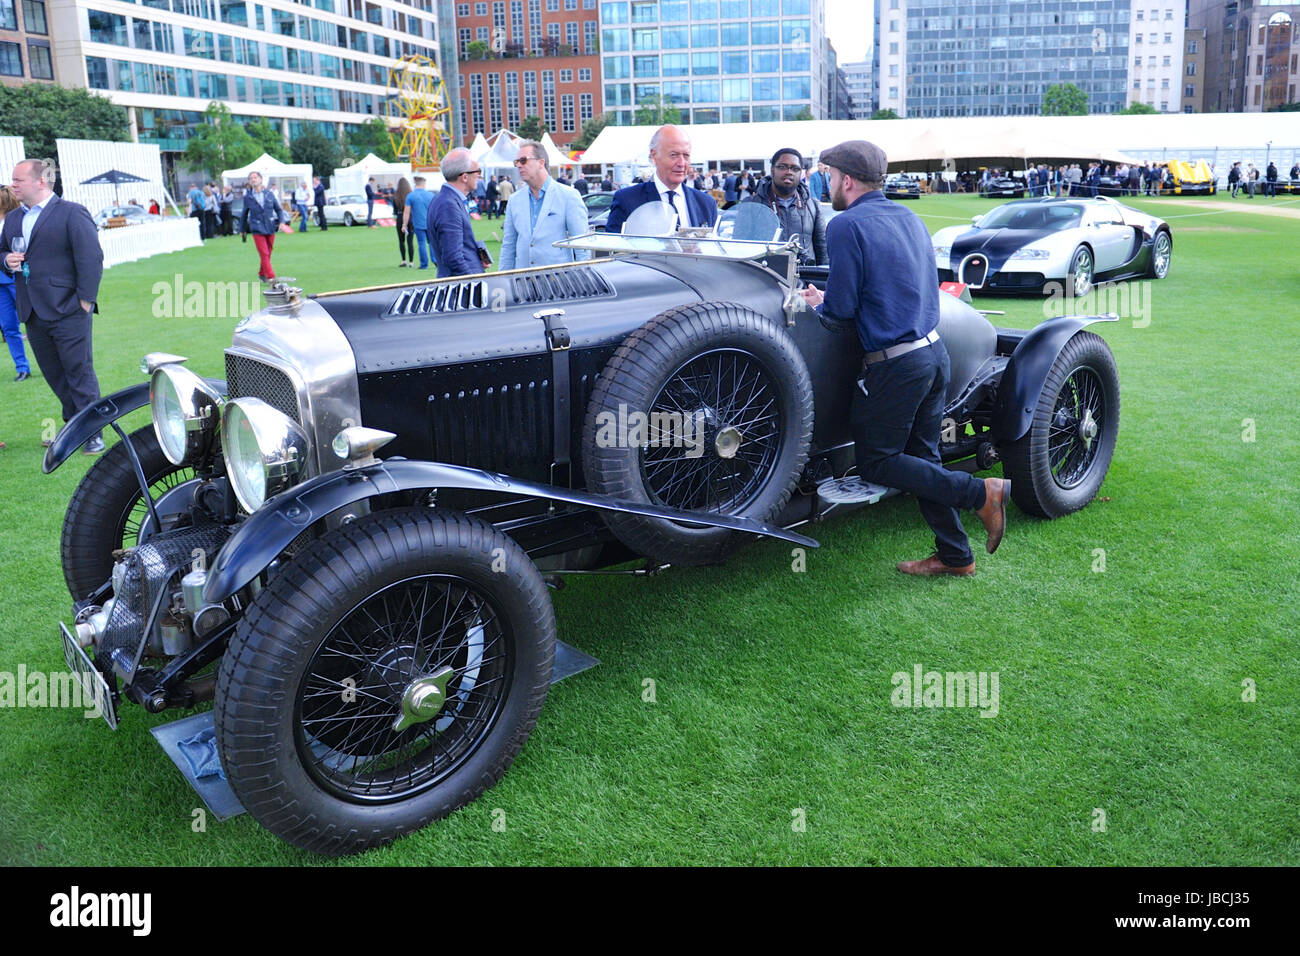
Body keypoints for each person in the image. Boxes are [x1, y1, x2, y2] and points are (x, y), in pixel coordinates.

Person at [797, 140, 1009, 577]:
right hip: (934, 353)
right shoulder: (909, 217)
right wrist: (833, 296)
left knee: (878, 462)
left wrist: (816, 302)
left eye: (830, 176)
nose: (828, 183)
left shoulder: (844, 224)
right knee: (923, 461)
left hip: (895, 363)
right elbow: (896, 287)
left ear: (847, 180)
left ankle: (981, 494)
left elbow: (840, 311)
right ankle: (956, 556)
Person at [1, 158, 106, 454]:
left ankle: (93, 432)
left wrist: (85, 302)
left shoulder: (72, 213)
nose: (13, 185)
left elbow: (91, 259)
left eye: (19, 180)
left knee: (78, 371)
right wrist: (6, 261)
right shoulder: (12, 218)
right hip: (32, 312)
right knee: (54, 374)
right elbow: (2, 252)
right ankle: (74, 425)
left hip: (69, 310)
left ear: (41, 181)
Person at [605, 125, 719, 234]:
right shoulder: (627, 200)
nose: (681, 163)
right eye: (674, 155)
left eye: (686, 156)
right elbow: (611, 250)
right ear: (654, 155)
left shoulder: (707, 204)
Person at [499, 139, 591, 271]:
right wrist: (503, 280)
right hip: (523, 283)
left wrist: (585, 280)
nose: (519, 165)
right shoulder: (514, 200)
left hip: (559, 283)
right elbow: (508, 246)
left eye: (523, 160)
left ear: (541, 162)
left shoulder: (568, 196)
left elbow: (582, 246)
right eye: (517, 162)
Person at [743, 147, 827, 265]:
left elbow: (822, 249)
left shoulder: (813, 206)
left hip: (805, 278)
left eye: (795, 168)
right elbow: (740, 251)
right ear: (772, 170)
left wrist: (819, 279)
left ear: (800, 172)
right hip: (764, 277)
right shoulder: (751, 205)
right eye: (783, 167)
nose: (789, 172)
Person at [427, 147, 490, 278]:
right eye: (477, 171)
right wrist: (474, 281)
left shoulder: (448, 200)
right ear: (465, 177)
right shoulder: (448, 204)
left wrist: (475, 259)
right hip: (461, 289)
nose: (479, 175)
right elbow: (453, 257)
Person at [0, 185, 32, 382]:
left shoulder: (18, 220)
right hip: (1, 281)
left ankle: (48, 363)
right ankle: (22, 367)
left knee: (34, 322)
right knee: (9, 326)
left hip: (18, 277)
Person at [241, 170, 292, 281]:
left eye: (255, 177)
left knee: (268, 252)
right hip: (257, 228)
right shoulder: (248, 197)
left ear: (260, 179)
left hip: (270, 226)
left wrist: (282, 222)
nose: (253, 179)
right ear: (249, 182)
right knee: (264, 253)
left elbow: (278, 209)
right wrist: (242, 229)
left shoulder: (269, 194)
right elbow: (244, 214)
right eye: (251, 178)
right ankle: (272, 277)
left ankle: (262, 273)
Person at [401, 175, 436, 270]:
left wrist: (404, 225)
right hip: (430, 223)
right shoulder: (431, 195)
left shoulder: (411, 196)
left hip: (418, 223)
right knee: (432, 243)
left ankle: (424, 264)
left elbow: (406, 212)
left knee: (421, 243)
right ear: (424, 184)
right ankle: (435, 260)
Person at [392, 177, 413, 267]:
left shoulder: (396, 196)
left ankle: (403, 260)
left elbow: (395, 210)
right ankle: (411, 261)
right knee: (410, 241)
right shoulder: (410, 194)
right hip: (410, 218)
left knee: (401, 241)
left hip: (400, 217)